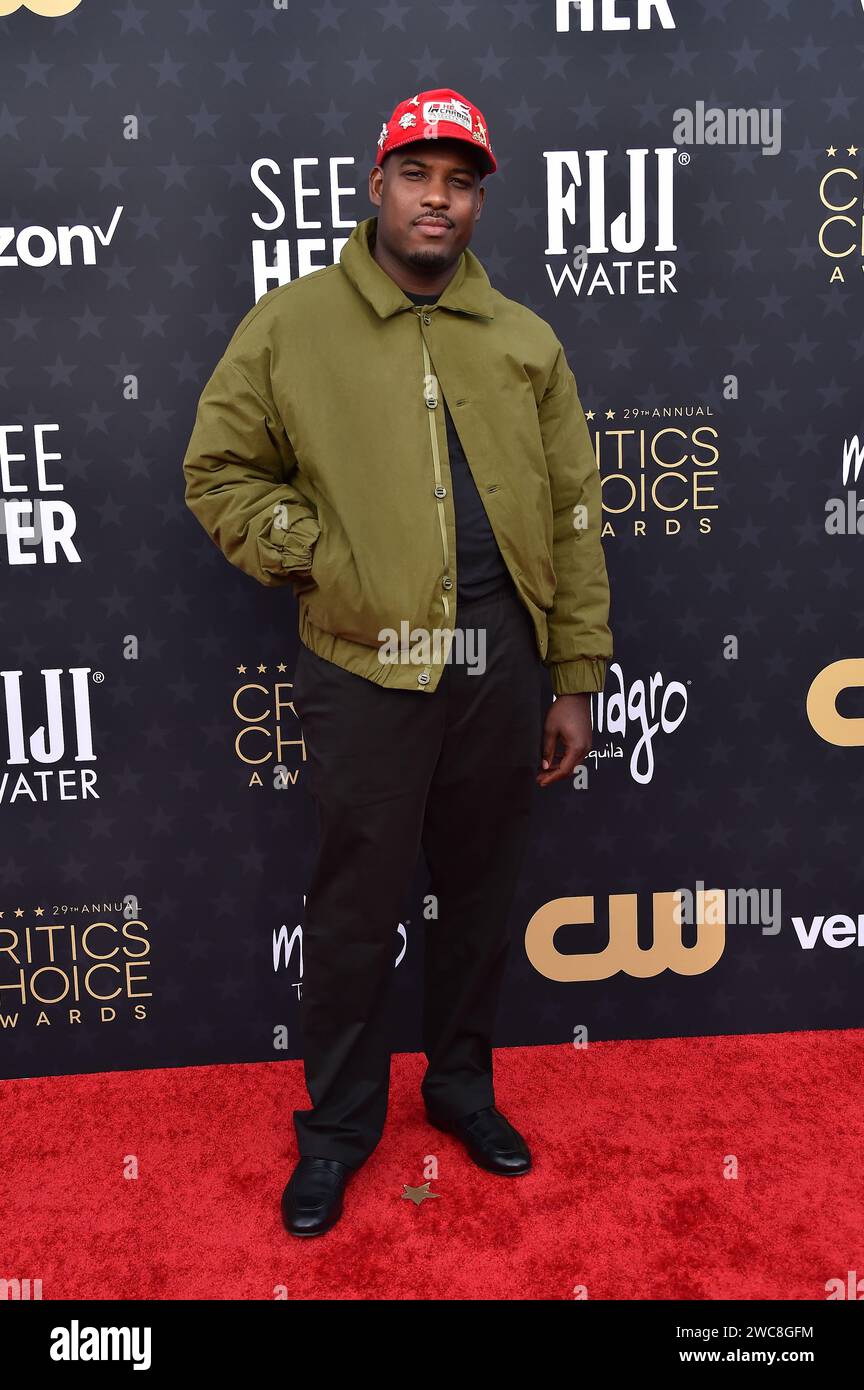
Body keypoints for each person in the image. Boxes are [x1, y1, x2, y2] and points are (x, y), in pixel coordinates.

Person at [182, 87, 613, 1237]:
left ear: (478, 201)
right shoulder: (292, 325)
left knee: (478, 897)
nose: (439, 197)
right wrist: (320, 555)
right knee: (360, 906)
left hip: (500, 659)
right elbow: (217, 470)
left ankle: (462, 1087)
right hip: (370, 664)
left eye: (461, 180)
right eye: (418, 174)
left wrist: (574, 673)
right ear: (376, 185)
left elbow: (576, 515)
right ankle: (334, 1131)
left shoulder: (525, 339)